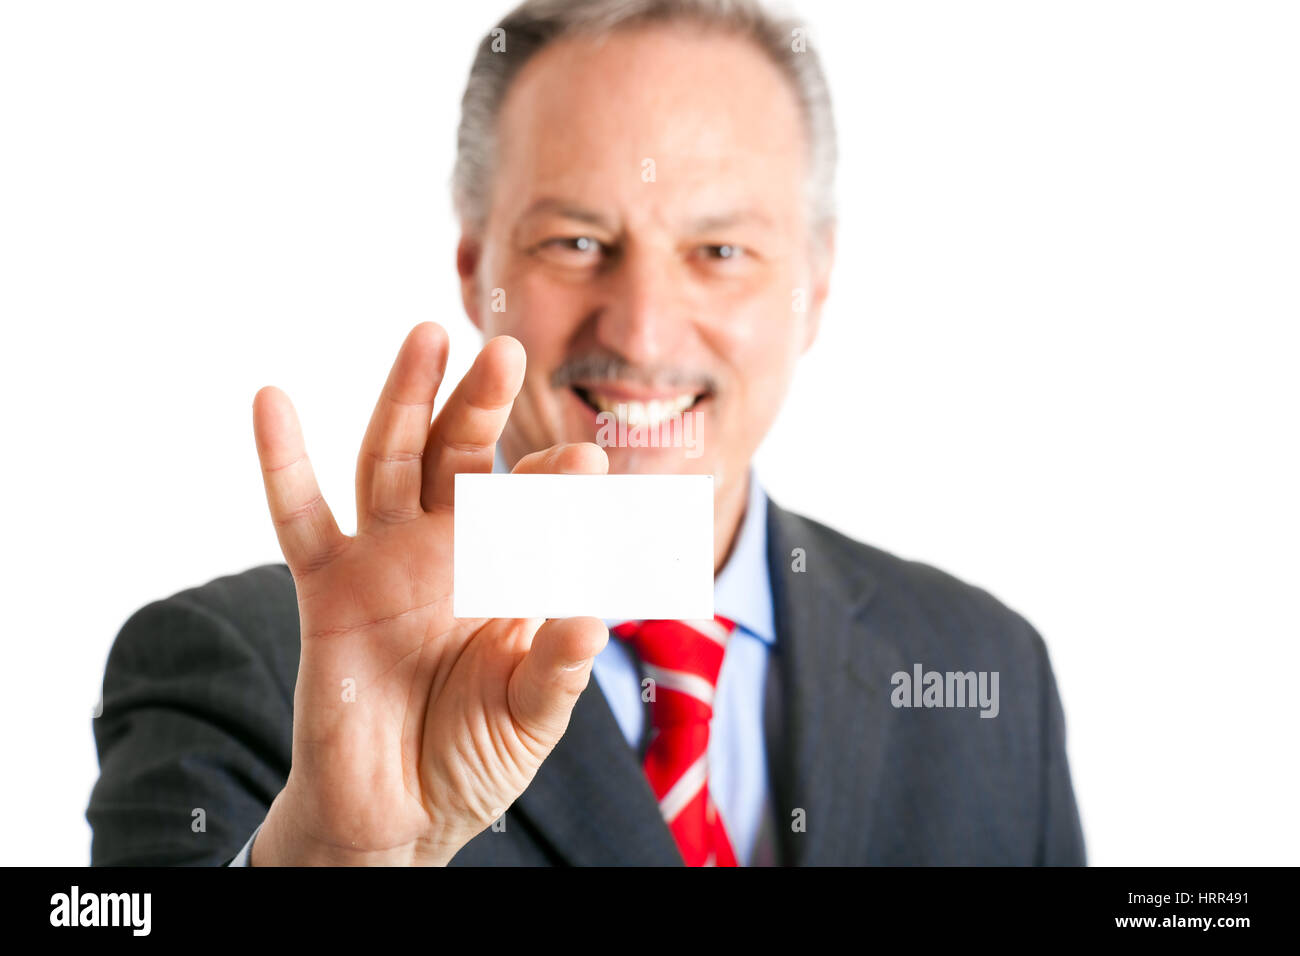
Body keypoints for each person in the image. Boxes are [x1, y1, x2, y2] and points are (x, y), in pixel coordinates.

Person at [88, 0, 1086, 866]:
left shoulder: (988, 668)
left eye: (720, 248)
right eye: (575, 241)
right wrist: (341, 857)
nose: (642, 328)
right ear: (478, 264)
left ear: (813, 287)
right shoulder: (248, 664)